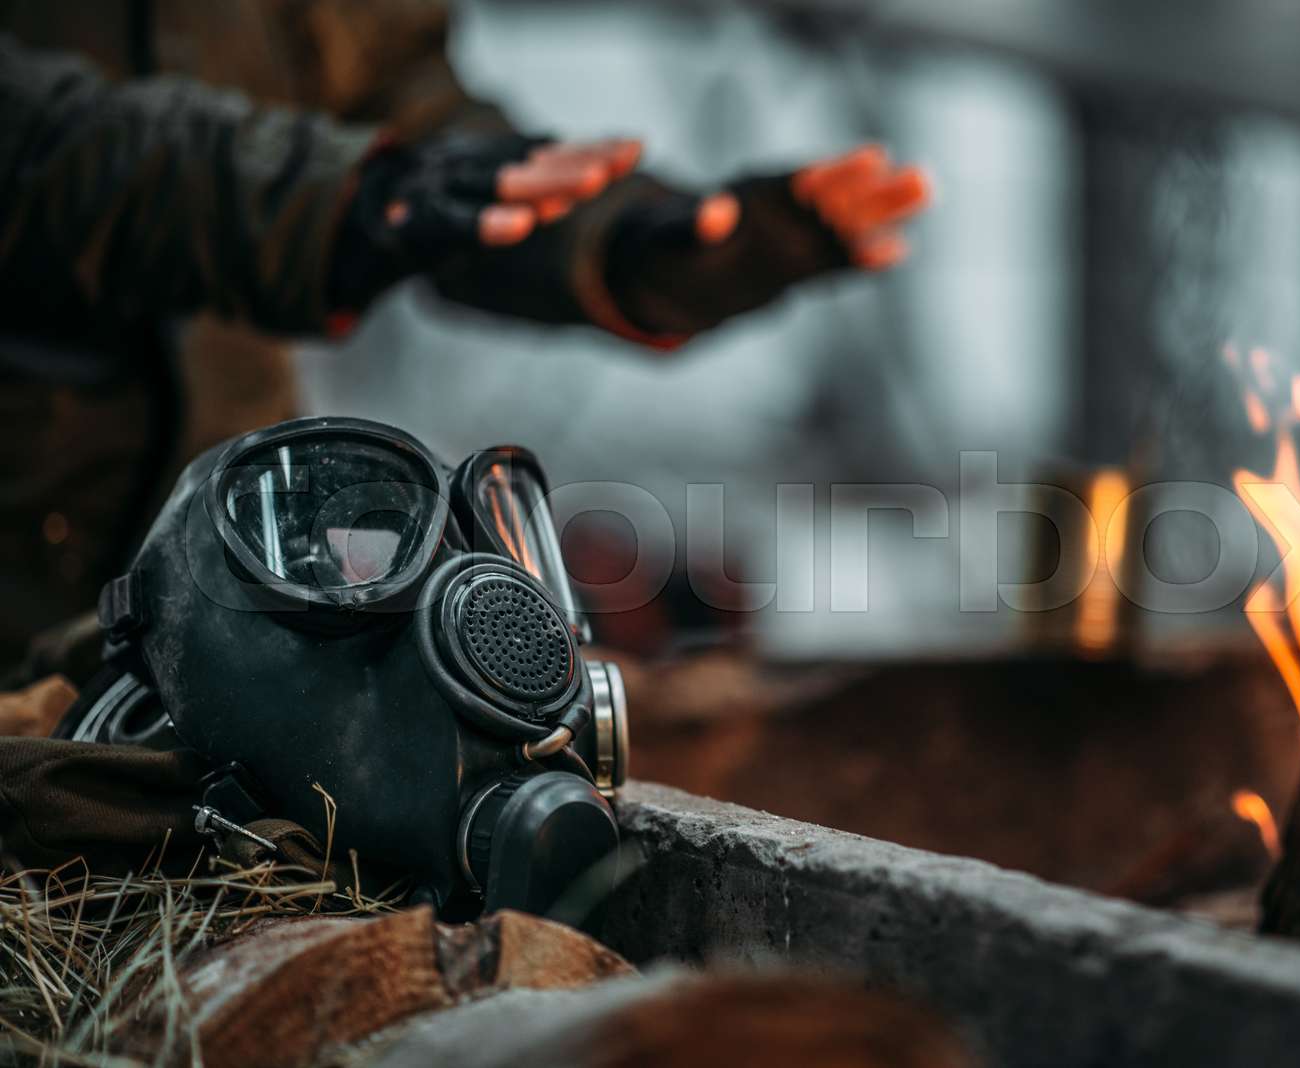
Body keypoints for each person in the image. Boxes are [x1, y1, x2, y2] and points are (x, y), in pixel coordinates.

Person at [0, 2, 930, 708]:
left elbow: (415, 121)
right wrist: (355, 199)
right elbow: (42, 140)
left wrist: (631, 243)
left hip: (216, 553)